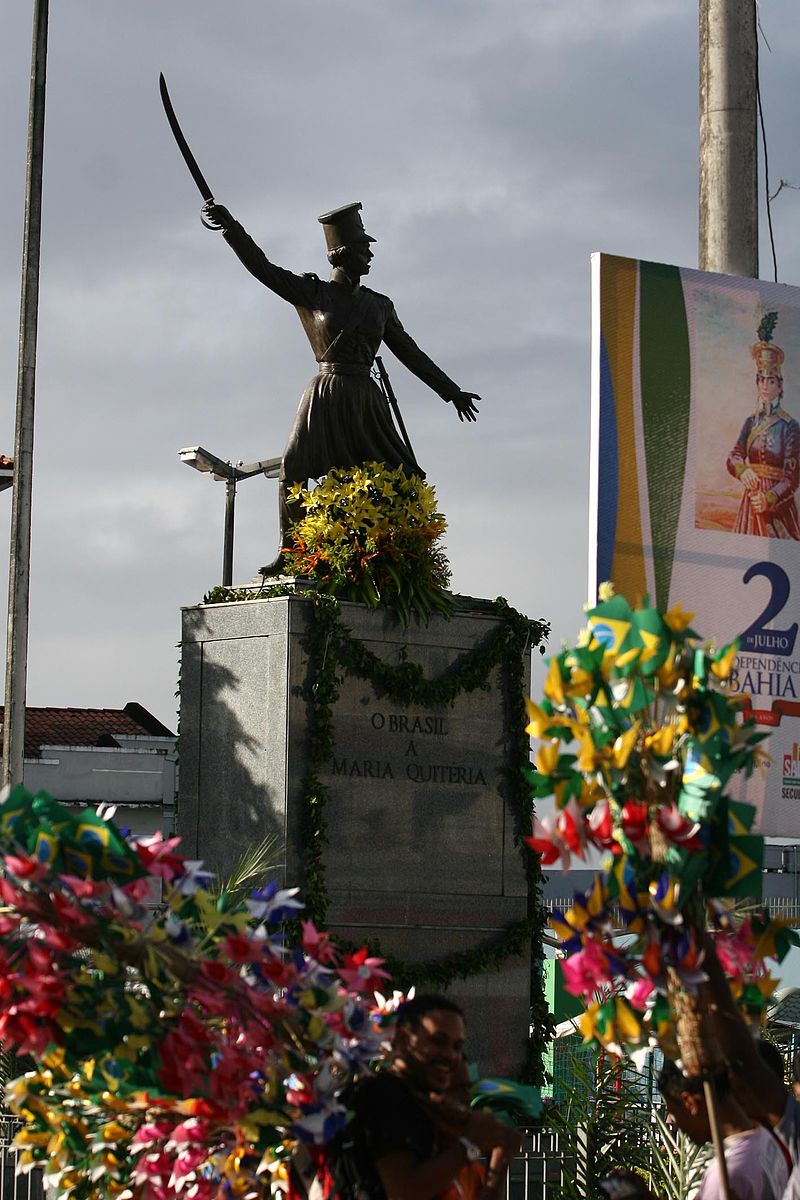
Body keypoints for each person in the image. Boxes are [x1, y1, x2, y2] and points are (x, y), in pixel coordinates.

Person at [201, 200, 481, 571]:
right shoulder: (313, 293)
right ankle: (292, 552)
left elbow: (410, 352)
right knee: (294, 470)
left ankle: (400, 554)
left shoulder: (380, 305)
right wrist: (231, 229)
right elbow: (263, 269)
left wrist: (451, 391)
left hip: (365, 397)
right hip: (325, 394)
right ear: (342, 253)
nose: (370, 256)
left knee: (403, 475)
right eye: (365, 248)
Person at [326, 993, 519, 1200]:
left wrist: (499, 1160)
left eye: (457, 1046)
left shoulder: (415, 1102)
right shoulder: (385, 1092)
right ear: (402, 1039)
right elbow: (402, 1192)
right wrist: (471, 1144)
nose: (450, 1055)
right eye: (438, 1041)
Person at [657, 1059, 788, 1200]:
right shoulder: (767, 1139)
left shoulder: (727, 1176)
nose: (678, 1126)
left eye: (675, 1114)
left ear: (690, 1103)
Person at [726, 314, 800, 539]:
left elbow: (792, 478)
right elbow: (734, 456)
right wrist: (743, 470)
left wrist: (769, 499)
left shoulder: (791, 427)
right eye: (761, 380)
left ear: (780, 386)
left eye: (771, 381)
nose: (765, 386)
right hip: (751, 504)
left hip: (778, 506)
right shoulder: (751, 422)